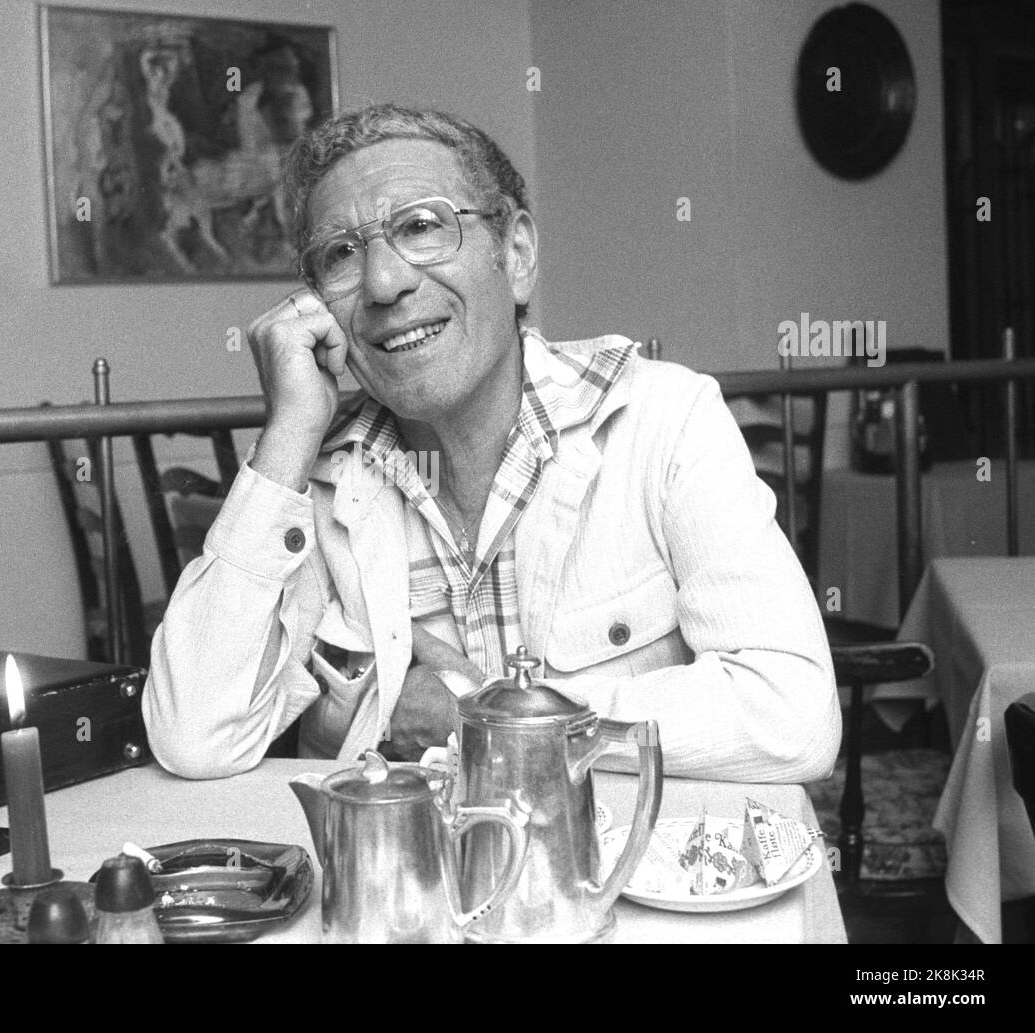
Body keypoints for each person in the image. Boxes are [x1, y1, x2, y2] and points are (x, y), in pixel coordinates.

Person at [141, 104, 840, 783]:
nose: (385, 282)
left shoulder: (662, 418)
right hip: (410, 895)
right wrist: (290, 429)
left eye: (420, 227)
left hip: (634, 886)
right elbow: (195, 735)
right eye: (341, 255)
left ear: (517, 254)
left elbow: (793, 715)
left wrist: (496, 723)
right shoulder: (321, 479)